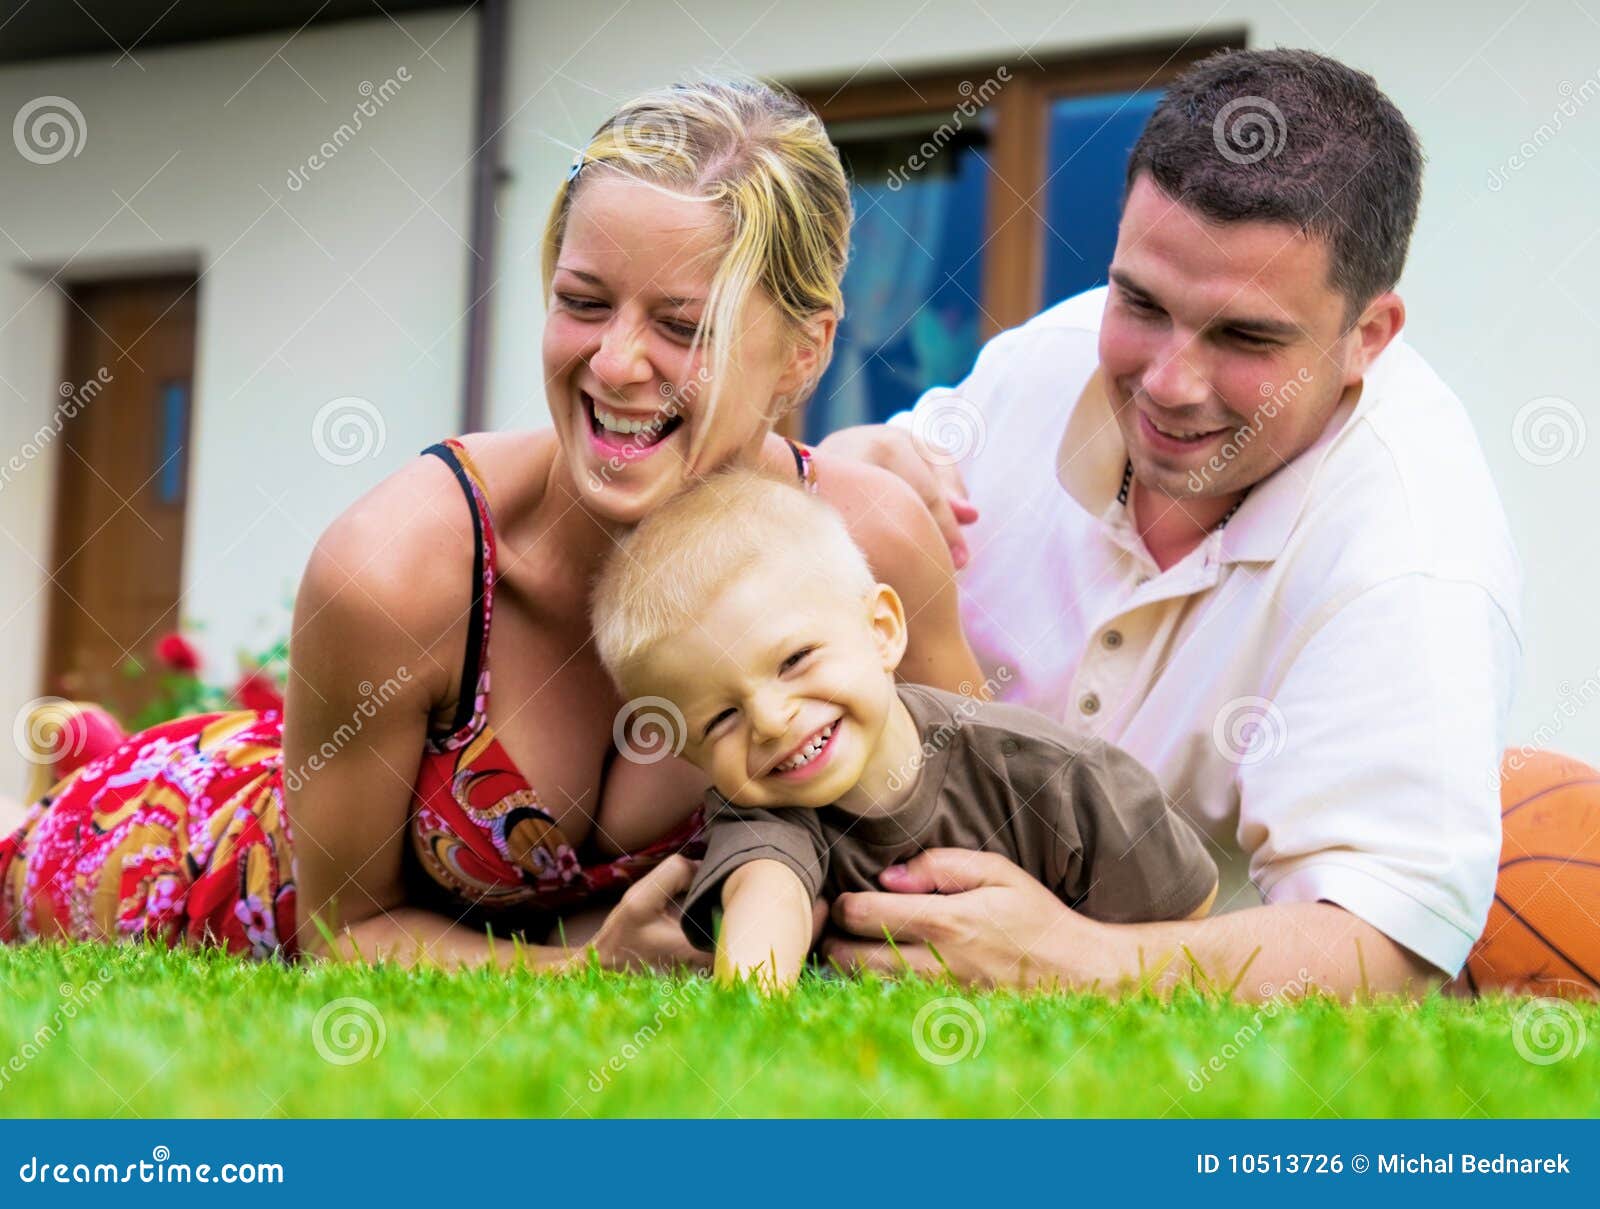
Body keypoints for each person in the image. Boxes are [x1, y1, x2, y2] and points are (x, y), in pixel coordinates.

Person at [0, 78, 981, 968]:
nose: (615, 364)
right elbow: (344, 930)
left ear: (805, 351)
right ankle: (69, 786)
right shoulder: (400, 569)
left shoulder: (867, 548)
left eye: (684, 327)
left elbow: (992, 813)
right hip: (192, 866)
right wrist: (584, 970)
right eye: (583, 303)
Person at [819, 48, 1522, 1000]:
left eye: (1245, 337)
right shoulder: (1041, 363)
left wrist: (1069, 959)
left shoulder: (1414, 554)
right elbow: (848, 533)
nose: (1167, 382)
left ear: (1368, 336)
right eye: (1140, 302)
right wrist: (840, 476)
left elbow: (1382, 942)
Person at [591, 467, 1218, 991]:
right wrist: (750, 1009)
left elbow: (1184, 922)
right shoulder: (760, 811)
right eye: (722, 718)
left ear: (883, 631)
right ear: (692, 755)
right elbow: (766, 893)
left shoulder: (1052, 774)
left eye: (794, 660)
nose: (771, 720)